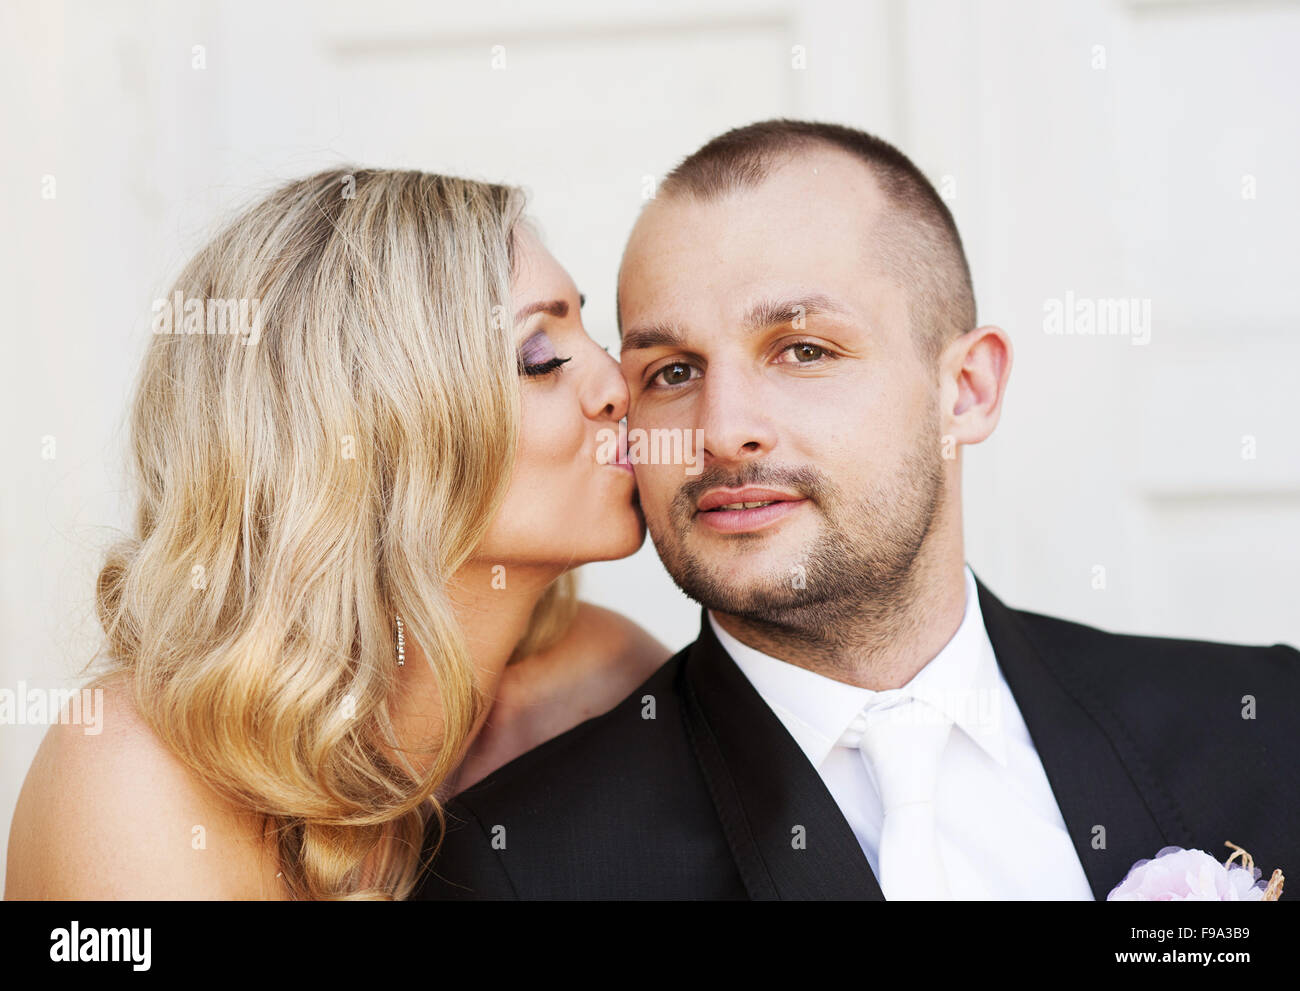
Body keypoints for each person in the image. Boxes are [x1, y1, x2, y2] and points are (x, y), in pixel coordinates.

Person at [415, 119, 1300, 900]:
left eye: (802, 350)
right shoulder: (518, 868)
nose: (723, 433)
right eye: (672, 371)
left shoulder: (1266, 723)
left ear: (965, 388)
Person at [5, 168, 668, 900]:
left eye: (592, 331)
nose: (618, 383)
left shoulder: (612, 684)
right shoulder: (135, 772)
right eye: (539, 357)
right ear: (373, 433)